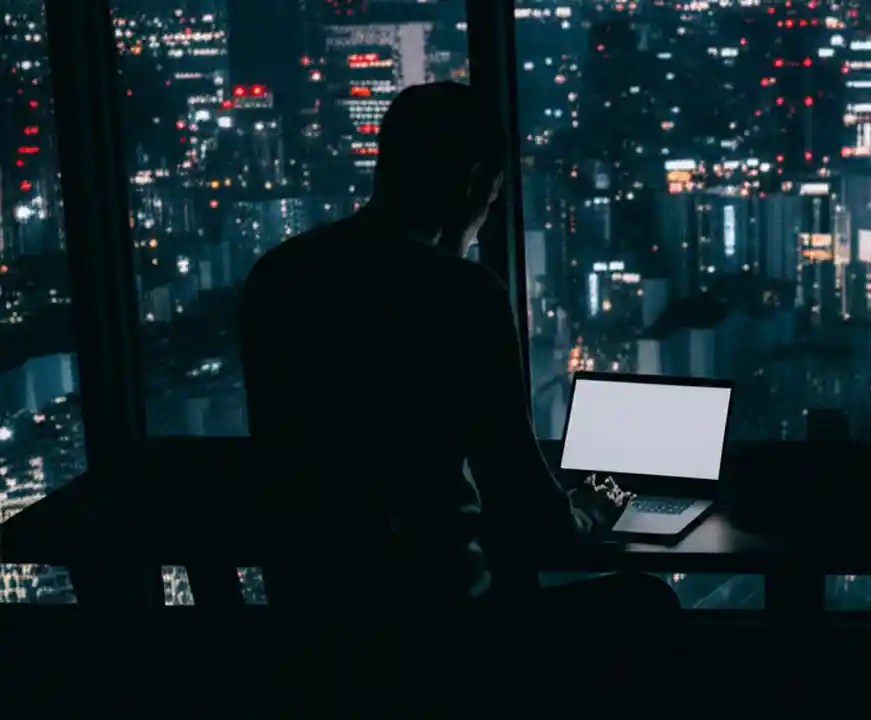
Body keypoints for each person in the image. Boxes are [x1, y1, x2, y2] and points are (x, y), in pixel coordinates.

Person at [238, 82, 680, 637]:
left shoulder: (277, 276)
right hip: (440, 629)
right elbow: (526, 508)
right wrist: (593, 505)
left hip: (307, 630)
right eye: (490, 202)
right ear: (473, 182)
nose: (480, 228)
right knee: (645, 603)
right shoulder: (462, 293)